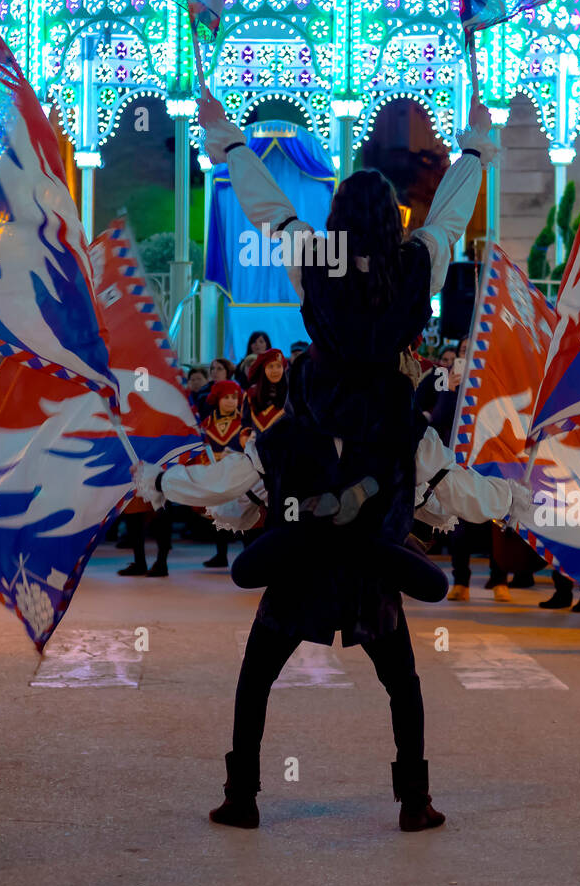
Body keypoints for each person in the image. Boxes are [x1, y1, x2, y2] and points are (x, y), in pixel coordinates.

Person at [189, 84, 498, 830]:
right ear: (391, 218)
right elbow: (451, 212)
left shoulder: (312, 253)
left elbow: (267, 207)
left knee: (259, 668)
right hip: (384, 449)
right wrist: (480, 146)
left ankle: (242, 796)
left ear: (335, 219)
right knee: (400, 675)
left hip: (313, 439)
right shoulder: (417, 258)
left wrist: (227, 138)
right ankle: (414, 800)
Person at [132, 349, 531, 833]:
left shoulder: (285, 436)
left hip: (299, 575)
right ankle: (414, 802)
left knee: (256, 680)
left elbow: (226, 482)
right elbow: (455, 489)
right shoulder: (407, 434)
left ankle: (241, 799)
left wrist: (161, 479)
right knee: (402, 686)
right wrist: (509, 500)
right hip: (371, 581)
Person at [202, 379, 247, 568]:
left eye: (234, 398)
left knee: (245, 517)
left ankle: (248, 556)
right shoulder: (207, 424)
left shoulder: (244, 422)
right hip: (216, 475)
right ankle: (221, 555)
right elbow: (200, 448)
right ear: (217, 399)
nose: (230, 401)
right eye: (226, 397)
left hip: (238, 475)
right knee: (218, 516)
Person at [244, 349, 288, 436]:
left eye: (279, 366)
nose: (275, 370)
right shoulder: (251, 395)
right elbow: (245, 423)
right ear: (263, 370)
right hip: (255, 447)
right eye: (271, 366)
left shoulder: (291, 394)